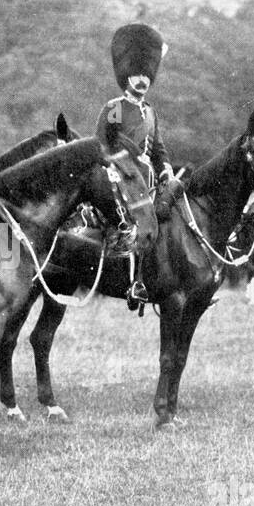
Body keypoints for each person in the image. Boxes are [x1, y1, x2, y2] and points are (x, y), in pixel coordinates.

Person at [96, 22, 170, 306]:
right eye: (136, 74)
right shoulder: (114, 108)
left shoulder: (150, 112)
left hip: (148, 182)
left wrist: (165, 169)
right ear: (127, 75)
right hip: (121, 181)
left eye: (146, 75)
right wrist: (116, 169)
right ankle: (135, 283)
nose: (142, 80)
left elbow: (158, 150)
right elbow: (100, 145)